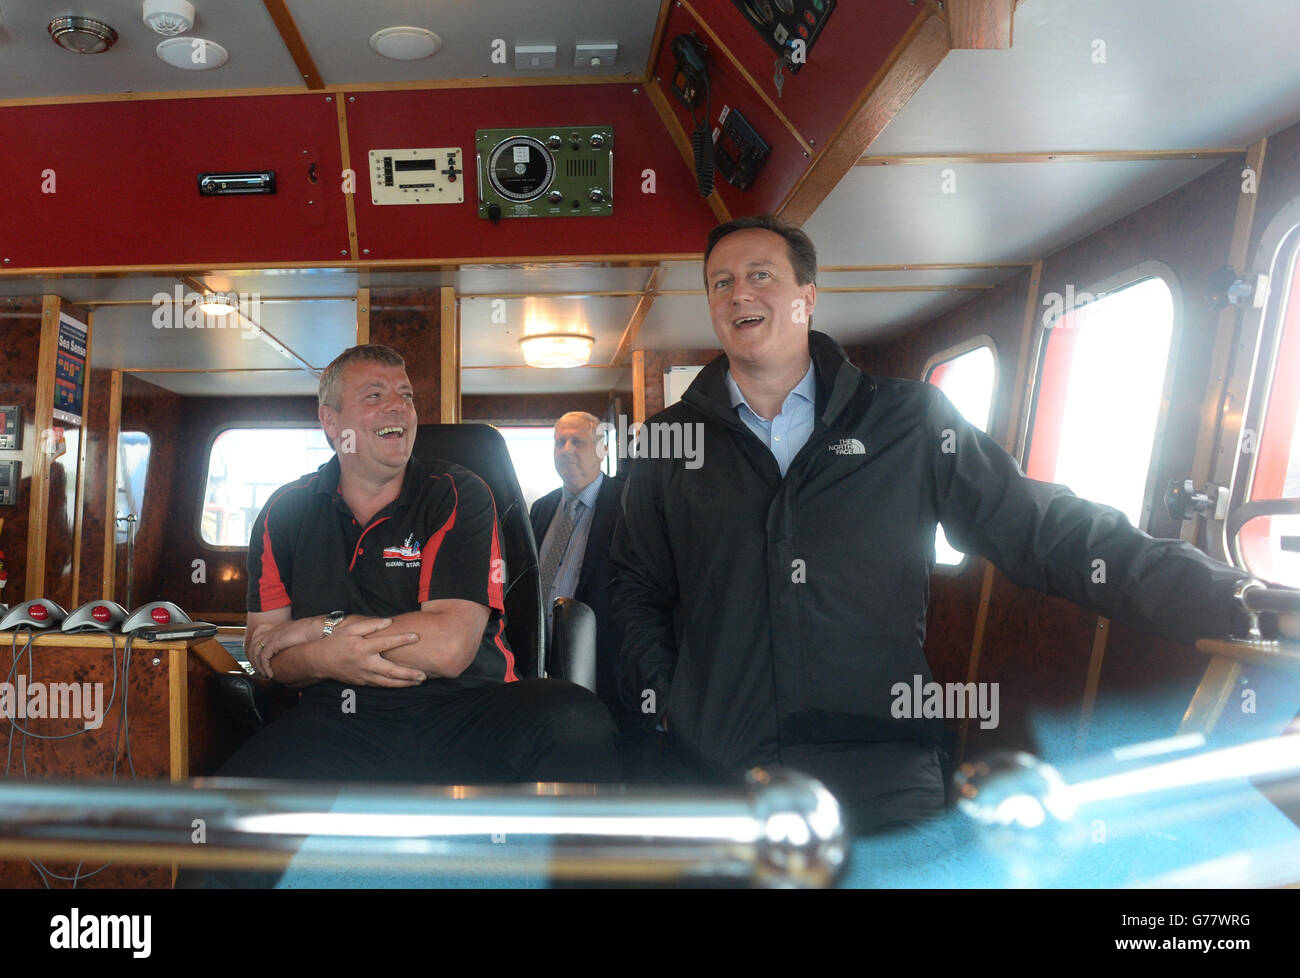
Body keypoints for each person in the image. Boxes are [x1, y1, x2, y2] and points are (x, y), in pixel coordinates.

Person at [610, 214, 1299, 839]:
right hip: (721, 768)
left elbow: (1039, 527)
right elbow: (632, 586)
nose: (739, 294)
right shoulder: (667, 445)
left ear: (807, 296)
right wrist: (677, 700)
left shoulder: (908, 421)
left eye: (761, 275)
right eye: (721, 282)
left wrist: (1229, 599)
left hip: (881, 766)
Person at [217, 346, 618, 843]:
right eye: (375, 395)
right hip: (339, 718)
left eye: (405, 396)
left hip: (468, 708)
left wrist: (321, 634)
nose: (398, 407)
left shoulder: (456, 492)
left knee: (578, 720)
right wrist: (329, 657)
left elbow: (448, 648)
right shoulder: (284, 512)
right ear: (329, 420)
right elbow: (265, 654)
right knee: (225, 824)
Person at [530, 412, 647, 775]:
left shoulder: (628, 502)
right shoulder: (541, 508)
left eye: (577, 441)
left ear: (602, 449)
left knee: (603, 768)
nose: (566, 450)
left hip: (605, 669)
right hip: (540, 671)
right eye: (559, 441)